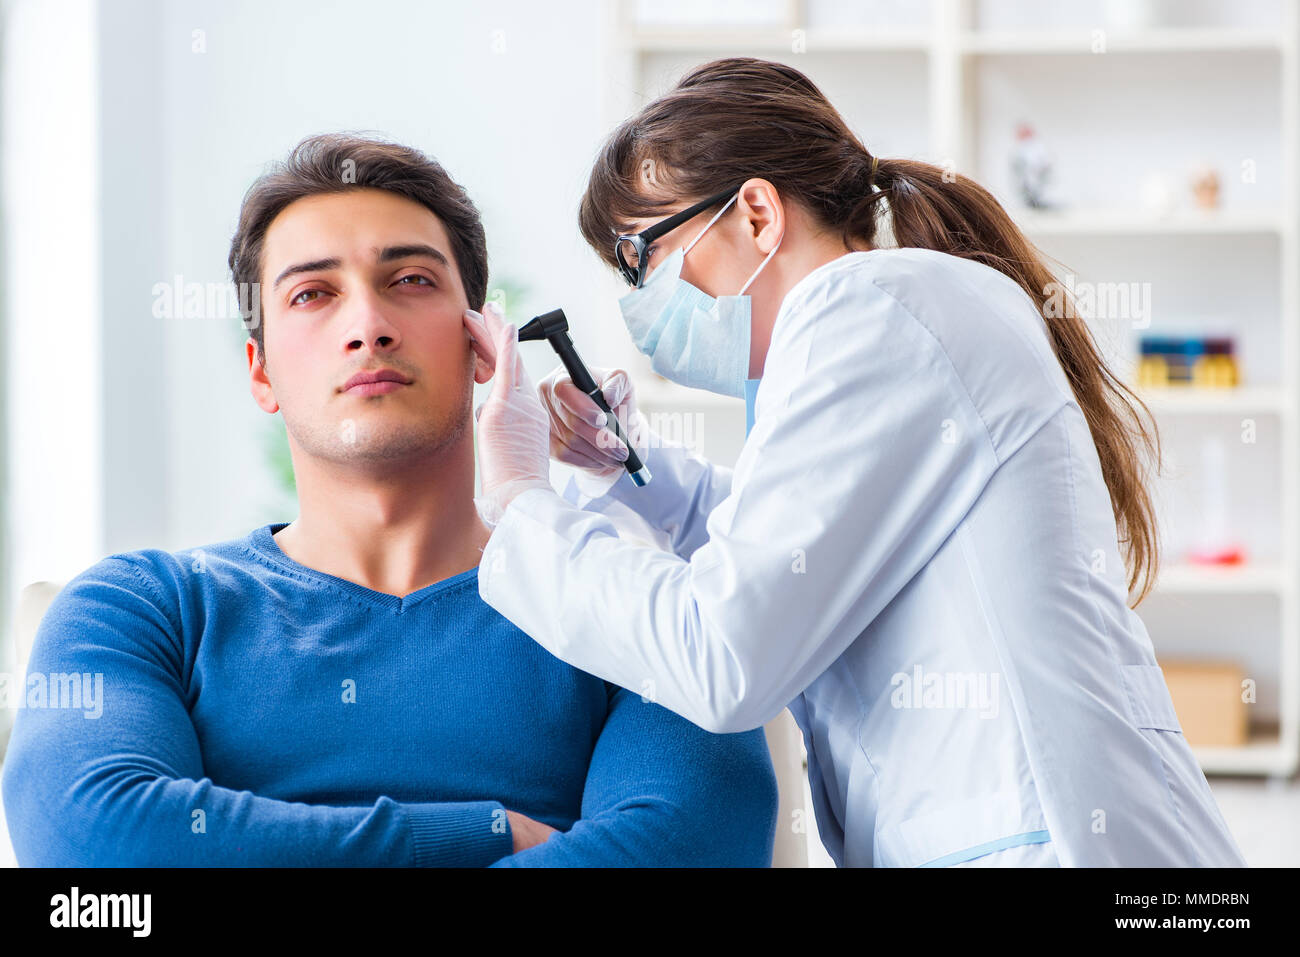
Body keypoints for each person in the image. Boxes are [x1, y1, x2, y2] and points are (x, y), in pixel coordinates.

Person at [463, 57, 1247, 867]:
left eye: (641, 258)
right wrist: (633, 469)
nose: (638, 300)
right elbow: (802, 552)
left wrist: (522, 499)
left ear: (759, 216)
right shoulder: (887, 315)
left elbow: (725, 652)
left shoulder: (863, 312)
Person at [0, 132, 779, 868]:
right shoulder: (142, 608)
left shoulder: (633, 606)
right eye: (312, 294)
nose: (367, 325)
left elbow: (694, 845)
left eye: (410, 281)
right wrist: (480, 831)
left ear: (484, 343)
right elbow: (92, 836)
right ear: (260, 371)